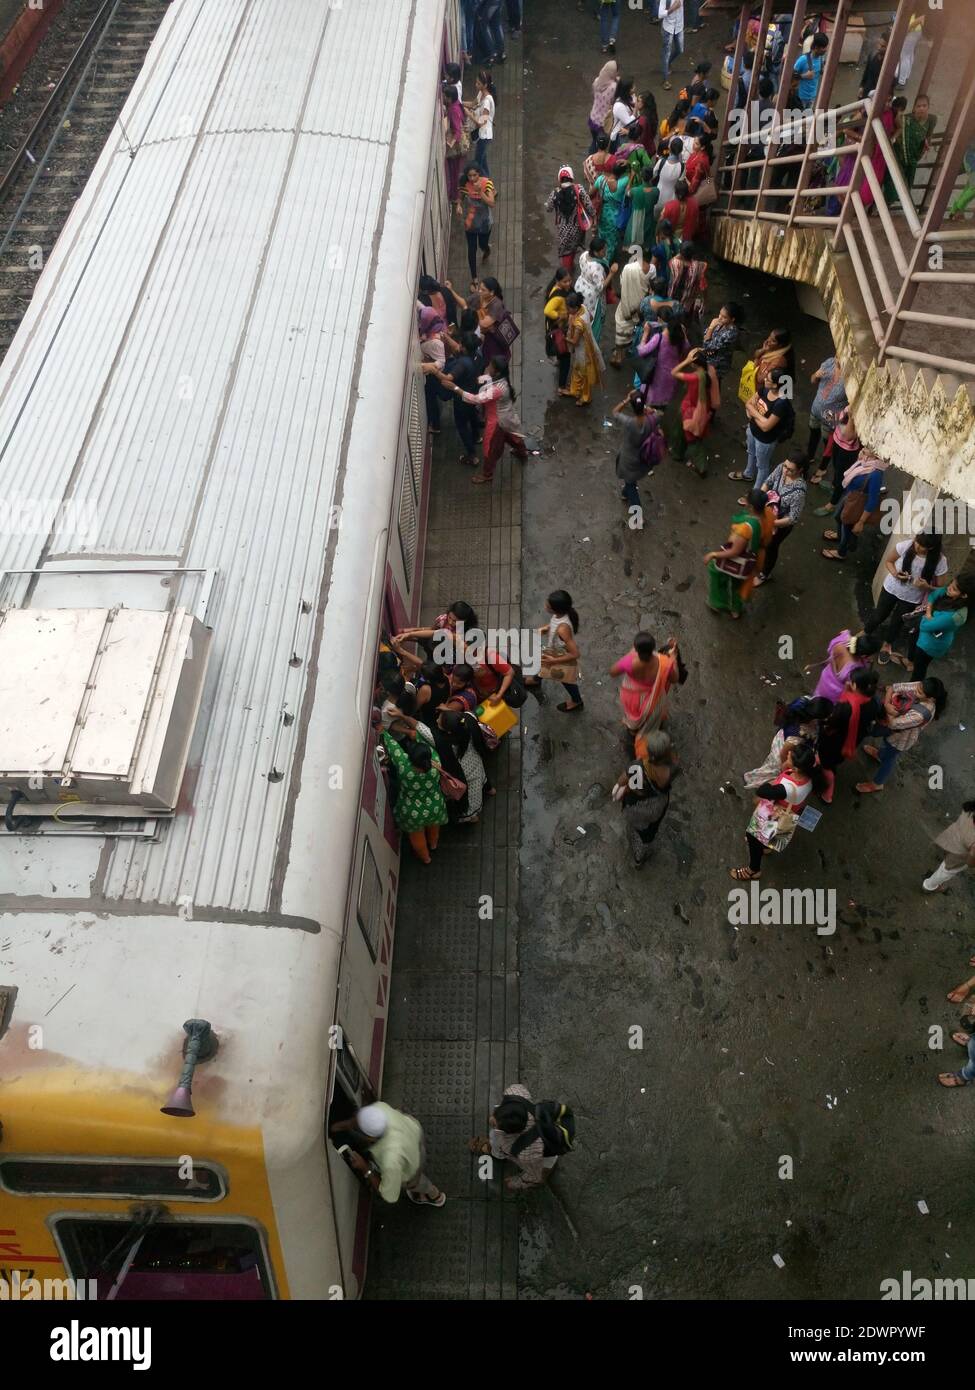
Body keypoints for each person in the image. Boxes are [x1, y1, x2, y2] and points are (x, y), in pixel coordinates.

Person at [732, 741, 816, 881]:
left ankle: (753, 870)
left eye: (791, 756)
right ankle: (765, 847)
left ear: (795, 768)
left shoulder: (787, 788)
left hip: (775, 815)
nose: (788, 753)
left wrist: (771, 781)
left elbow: (762, 791)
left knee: (753, 836)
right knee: (765, 837)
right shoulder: (810, 778)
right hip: (791, 809)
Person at [337, 1102, 445, 1206]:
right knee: (417, 1157)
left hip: (412, 1164)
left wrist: (365, 1168)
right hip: (414, 1133)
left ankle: (435, 1195)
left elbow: (389, 1196)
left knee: (417, 1183)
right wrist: (341, 1126)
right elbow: (358, 1120)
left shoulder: (390, 1160)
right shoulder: (379, 1107)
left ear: (370, 1138)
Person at [445, 355, 528, 484]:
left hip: (497, 422)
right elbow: (481, 379)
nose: (488, 367)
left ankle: (487, 474)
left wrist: (456, 388)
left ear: (497, 371)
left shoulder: (498, 389)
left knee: (490, 448)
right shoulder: (501, 380)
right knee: (512, 437)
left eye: (491, 366)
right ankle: (522, 452)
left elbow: (477, 399)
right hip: (508, 418)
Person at [856, 677, 946, 795]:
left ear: (931, 698)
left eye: (919, 692)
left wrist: (889, 710)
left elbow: (893, 724)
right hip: (892, 728)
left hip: (901, 739)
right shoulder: (921, 685)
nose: (916, 690)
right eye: (918, 687)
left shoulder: (921, 714)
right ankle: (879, 755)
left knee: (890, 757)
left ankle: (877, 783)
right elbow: (894, 687)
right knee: (887, 750)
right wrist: (888, 704)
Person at [469, 1084, 563, 1190]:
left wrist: (519, 1182)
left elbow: (532, 1171)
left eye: (495, 1125)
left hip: (545, 1154)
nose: (491, 1119)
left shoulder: (524, 1151)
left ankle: (538, 1180)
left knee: (539, 1172)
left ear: (510, 1134)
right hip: (548, 1131)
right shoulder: (516, 1092)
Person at [864, 533, 948, 644]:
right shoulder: (905, 545)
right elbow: (889, 561)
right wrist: (895, 573)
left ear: (931, 547)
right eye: (917, 541)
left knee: (897, 622)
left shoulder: (940, 561)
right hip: (891, 588)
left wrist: (926, 586)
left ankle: (888, 644)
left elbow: (940, 587)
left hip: (912, 597)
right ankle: (866, 631)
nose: (917, 546)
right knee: (879, 615)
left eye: (922, 545)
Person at [705, 488, 775, 619]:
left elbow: (734, 551)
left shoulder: (746, 528)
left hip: (740, 557)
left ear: (751, 506)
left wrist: (713, 554)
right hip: (755, 557)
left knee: (716, 572)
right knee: (739, 585)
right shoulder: (769, 514)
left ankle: (718, 603)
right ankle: (735, 610)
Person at [815, 668, 882, 802]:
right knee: (835, 761)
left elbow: (829, 725)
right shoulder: (874, 701)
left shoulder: (846, 708)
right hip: (854, 739)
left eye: (851, 680)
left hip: (834, 743)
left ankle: (828, 794)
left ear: (856, 686)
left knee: (826, 766)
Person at [613, 729, 679, 866]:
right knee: (650, 829)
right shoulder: (674, 766)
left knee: (637, 828)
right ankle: (643, 849)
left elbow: (621, 781)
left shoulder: (637, 767)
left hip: (639, 805)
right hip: (659, 804)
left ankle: (638, 855)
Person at [381, 731, 449, 863]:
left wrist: (383, 732)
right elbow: (427, 744)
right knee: (434, 826)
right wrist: (417, 735)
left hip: (412, 811)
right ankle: (433, 844)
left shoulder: (404, 767)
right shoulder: (436, 763)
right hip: (435, 805)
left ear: (411, 759)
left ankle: (426, 858)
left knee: (417, 837)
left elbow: (394, 748)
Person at [744, 697, 833, 791]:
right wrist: (785, 767)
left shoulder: (804, 702)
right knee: (775, 772)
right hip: (785, 748)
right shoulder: (796, 737)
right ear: (816, 717)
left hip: (786, 736)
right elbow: (783, 753)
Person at [610, 631, 680, 743]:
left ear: (636, 649)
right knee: (651, 714)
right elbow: (675, 679)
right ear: (653, 648)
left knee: (632, 713)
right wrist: (673, 659)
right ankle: (647, 730)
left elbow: (612, 672)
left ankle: (633, 730)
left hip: (631, 696)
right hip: (653, 698)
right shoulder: (664, 662)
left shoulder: (629, 661)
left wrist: (629, 654)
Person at [732, 367, 795, 491]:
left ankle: (757, 492)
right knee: (751, 453)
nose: (765, 379)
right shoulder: (765, 390)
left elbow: (766, 427)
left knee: (762, 465)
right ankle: (748, 473)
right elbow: (748, 403)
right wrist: (759, 417)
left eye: (768, 379)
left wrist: (753, 414)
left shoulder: (781, 403)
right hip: (753, 431)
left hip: (765, 440)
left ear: (776, 385)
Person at [821, 449, 888, 562]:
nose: (864, 448)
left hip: (857, 504)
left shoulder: (876, 474)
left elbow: (873, 500)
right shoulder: (866, 461)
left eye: (868, 447)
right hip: (851, 497)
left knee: (847, 526)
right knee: (838, 517)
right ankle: (840, 535)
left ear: (877, 454)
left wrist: (861, 522)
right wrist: (861, 457)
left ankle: (841, 552)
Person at [899, 577, 972, 679]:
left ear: (964, 595)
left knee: (920, 669)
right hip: (923, 630)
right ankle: (910, 662)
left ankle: (913, 691)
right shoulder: (948, 592)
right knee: (912, 642)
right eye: (951, 583)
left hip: (930, 643)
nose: (949, 588)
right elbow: (933, 595)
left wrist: (927, 613)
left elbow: (925, 626)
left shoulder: (955, 617)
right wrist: (928, 613)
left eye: (954, 589)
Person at [753, 452, 808, 584]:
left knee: (771, 547)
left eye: (790, 469)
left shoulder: (799, 492)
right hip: (768, 513)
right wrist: (759, 498)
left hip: (781, 524)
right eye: (785, 466)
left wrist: (772, 523)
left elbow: (793, 518)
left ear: (800, 470)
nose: (786, 470)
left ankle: (764, 574)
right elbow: (768, 481)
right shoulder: (781, 468)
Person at [528, 589, 584, 713]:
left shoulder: (563, 629)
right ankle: (536, 680)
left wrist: (555, 660)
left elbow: (575, 654)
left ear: (554, 609)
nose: (545, 604)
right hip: (553, 651)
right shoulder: (561, 614)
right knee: (544, 663)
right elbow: (554, 624)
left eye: (548, 604)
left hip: (560, 655)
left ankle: (577, 700)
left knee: (566, 680)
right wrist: (546, 628)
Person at [667, 345, 719, 477]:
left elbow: (673, 372)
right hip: (700, 408)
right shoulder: (710, 371)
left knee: (692, 439)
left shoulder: (694, 377)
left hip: (691, 411)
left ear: (694, 363)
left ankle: (701, 466)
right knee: (680, 431)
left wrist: (686, 361)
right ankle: (676, 453)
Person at [438, 708, 493, 822]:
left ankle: (472, 816)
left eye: (439, 720)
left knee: (470, 800)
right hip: (477, 764)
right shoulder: (468, 721)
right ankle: (490, 790)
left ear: (449, 732)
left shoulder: (448, 746)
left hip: (465, 776)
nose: (437, 719)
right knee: (482, 780)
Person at [612, 388, 659, 516]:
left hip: (628, 460)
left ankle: (638, 516)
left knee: (631, 484)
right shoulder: (653, 419)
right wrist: (651, 410)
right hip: (643, 459)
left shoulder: (629, 423)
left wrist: (626, 400)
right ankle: (625, 493)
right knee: (631, 481)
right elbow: (659, 414)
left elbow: (615, 412)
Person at [885, 93, 936, 208]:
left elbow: (929, 135)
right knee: (892, 184)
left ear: (928, 107)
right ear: (914, 108)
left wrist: (927, 142)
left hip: (913, 159)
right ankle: (882, 207)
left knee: (906, 186)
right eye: (918, 106)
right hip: (898, 156)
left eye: (924, 106)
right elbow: (894, 129)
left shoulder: (932, 120)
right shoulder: (905, 119)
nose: (921, 108)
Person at [545, 166, 596, 272]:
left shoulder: (555, 192)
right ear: (572, 177)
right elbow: (589, 206)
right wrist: (594, 216)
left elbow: (548, 208)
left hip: (563, 229)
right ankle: (569, 268)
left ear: (560, 178)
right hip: (577, 227)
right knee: (573, 247)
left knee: (565, 250)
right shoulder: (579, 189)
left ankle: (567, 270)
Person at [636, 306, 688, 409]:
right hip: (672, 379)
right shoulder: (681, 339)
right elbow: (687, 347)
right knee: (663, 408)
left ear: (660, 320)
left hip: (657, 379)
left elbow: (642, 351)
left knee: (650, 409)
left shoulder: (659, 338)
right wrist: (684, 334)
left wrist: (645, 334)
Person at [811, 630, 881, 705]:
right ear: (864, 656)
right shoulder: (855, 668)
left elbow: (843, 632)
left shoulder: (844, 638)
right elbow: (855, 688)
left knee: (818, 699)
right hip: (835, 692)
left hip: (825, 678)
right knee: (827, 706)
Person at [860, 97, 905, 213]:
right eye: (885, 100)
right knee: (861, 178)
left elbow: (900, 128)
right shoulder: (870, 111)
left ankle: (863, 208)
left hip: (881, 153)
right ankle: (858, 208)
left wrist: (892, 138)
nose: (887, 103)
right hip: (868, 150)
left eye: (889, 101)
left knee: (874, 180)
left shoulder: (892, 113)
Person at [611, 245, 652, 368]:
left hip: (626, 304)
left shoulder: (629, 268)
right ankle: (624, 351)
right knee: (632, 329)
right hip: (639, 306)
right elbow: (649, 289)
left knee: (622, 327)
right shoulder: (651, 270)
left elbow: (622, 283)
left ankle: (618, 356)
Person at [812, 406, 859, 510]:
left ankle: (832, 504)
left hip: (847, 450)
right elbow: (838, 418)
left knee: (841, 477)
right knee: (835, 467)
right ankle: (833, 485)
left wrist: (851, 417)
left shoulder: (860, 414)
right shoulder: (853, 403)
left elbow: (848, 435)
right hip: (837, 441)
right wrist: (829, 415)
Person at [923, 801, 975, 894]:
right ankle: (929, 886)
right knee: (946, 871)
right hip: (958, 855)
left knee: (949, 851)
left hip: (953, 837)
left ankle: (945, 855)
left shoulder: (970, 809)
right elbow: (970, 862)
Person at [806, 356, 847, 472]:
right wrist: (816, 375)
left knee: (827, 442)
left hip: (831, 415)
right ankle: (810, 457)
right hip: (816, 408)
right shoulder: (829, 363)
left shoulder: (850, 377)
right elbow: (813, 380)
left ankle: (823, 468)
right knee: (813, 433)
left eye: (840, 357)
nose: (837, 359)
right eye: (837, 356)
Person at [564, 289, 605, 406]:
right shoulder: (583, 308)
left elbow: (575, 342)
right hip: (588, 343)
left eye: (569, 308)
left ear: (575, 308)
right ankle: (575, 390)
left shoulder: (578, 324)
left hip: (583, 350)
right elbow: (591, 318)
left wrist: (564, 337)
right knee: (577, 370)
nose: (568, 310)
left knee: (584, 373)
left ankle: (585, 397)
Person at [575, 237, 617, 343]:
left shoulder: (584, 255)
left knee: (582, 315)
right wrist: (611, 273)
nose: (605, 252)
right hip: (593, 297)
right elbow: (600, 287)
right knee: (595, 323)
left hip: (580, 287)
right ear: (596, 252)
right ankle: (592, 346)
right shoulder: (597, 267)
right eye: (603, 250)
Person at [460, 163, 495, 286]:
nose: (472, 178)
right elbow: (461, 196)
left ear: (479, 174)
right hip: (470, 223)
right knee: (471, 250)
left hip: (484, 222)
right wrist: (458, 205)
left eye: (474, 175)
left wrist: (480, 192)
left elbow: (491, 203)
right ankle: (474, 278)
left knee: (482, 244)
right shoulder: (464, 185)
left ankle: (486, 250)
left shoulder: (487, 183)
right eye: (469, 175)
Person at [591, 162, 629, 267]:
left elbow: (591, 193)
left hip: (602, 213)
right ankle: (606, 264)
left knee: (601, 235)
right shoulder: (622, 183)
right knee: (611, 242)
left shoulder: (601, 179)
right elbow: (634, 172)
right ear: (621, 174)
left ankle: (597, 258)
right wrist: (628, 163)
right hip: (614, 217)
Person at [544, 267, 574, 393]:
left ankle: (559, 360)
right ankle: (562, 387)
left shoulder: (554, 288)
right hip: (559, 330)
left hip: (555, 328)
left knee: (562, 354)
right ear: (558, 281)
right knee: (566, 358)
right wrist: (560, 316)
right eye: (565, 282)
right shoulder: (558, 296)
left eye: (569, 281)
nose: (568, 284)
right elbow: (547, 310)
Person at [666, 239, 707, 325]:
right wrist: (704, 301)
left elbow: (674, 258)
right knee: (684, 324)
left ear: (680, 252)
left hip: (671, 300)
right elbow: (703, 287)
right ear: (693, 254)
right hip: (687, 304)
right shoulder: (698, 267)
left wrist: (681, 252)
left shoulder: (674, 263)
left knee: (670, 322)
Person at [701, 301, 743, 382]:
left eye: (724, 317)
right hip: (710, 358)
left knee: (714, 384)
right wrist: (709, 343)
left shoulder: (730, 333)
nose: (719, 318)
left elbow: (707, 345)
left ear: (732, 319)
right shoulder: (721, 323)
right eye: (720, 314)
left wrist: (711, 328)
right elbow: (705, 337)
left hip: (718, 365)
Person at [465, 70, 496, 176]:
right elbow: (473, 104)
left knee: (478, 163)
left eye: (478, 83)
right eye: (476, 82)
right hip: (481, 134)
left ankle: (485, 185)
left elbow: (481, 123)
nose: (476, 85)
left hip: (484, 135)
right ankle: (487, 182)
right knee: (483, 160)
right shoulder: (480, 93)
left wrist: (469, 114)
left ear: (485, 85)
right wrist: (460, 103)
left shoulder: (487, 102)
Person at [476, 276, 513, 363]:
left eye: (483, 290)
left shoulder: (496, 305)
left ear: (492, 292)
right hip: (488, 337)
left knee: (494, 361)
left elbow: (484, 324)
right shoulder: (484, 298)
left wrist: (475, 315)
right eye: (480, 288)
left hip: (495, 340)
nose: (479, 291)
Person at [443, 81, 468, 209]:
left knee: (454, 173)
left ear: (449, 98)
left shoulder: (452, 110)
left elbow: (457, 132)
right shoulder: (457, 105)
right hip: (461, 148)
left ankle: (455, 197)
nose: (443, 98)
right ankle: (456, 196)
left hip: (457, 150)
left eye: (445, 96)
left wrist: (450, 144)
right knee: (456, 172)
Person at [793, 31, 828, 110]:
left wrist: (822, 70)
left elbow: (820, 73)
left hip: (812, 96)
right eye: (823, 47)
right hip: (801, 97)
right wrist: (805, 75)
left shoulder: (821, 58)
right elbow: (791, 75)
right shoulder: (803, 59)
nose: (826, 49)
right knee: (798, 120)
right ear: (816, 47)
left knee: (807, 120)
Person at [588, 59, 619, 152]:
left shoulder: (597, 81)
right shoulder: (613, 87)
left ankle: (590, 160)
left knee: (594, 141)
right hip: (603, 122)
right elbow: (614, 100)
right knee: (601, 147)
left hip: (593, 119)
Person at [660, 178, 702, 245]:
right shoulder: (694, 205)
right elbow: (696, 223)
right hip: (686, 239)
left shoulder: (669, 206)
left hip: (670, 240)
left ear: (675, 192)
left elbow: (661, 223)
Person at [658, 0, 685, 92]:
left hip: (679, 27)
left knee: (680, 50)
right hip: (668, 29)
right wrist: (672, 8)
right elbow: (660, 14)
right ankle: (665, 80)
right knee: (666, 54)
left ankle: (668, 63)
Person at [654, 137, 687, 207]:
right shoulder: (682, 167)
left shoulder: (661, 162)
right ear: (681, 151)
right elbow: (680, 183)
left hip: (658, 196)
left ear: (669, 148)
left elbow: (653, 175)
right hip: (672, 199)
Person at [859, 27, 888, 100]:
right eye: (879, 44)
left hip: (878, 95)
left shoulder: (890, 63)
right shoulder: (872, 55)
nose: (879, 48)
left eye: (883, 46)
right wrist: (862, 86)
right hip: (867, 90)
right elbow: (866, 72)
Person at [897, 12, 924, 88]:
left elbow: (920, 18)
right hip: (916, 30)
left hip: (913, 30)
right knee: (909, 53)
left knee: (904, 55)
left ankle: (901, 81)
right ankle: (906, 76)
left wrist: (907, 30)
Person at [609, 77, 636, 148]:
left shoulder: (631, 97)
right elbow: (630, 123)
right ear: (627, 90)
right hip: (620, 138)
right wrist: (636, 109)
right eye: (632, 87)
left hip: (627, 134)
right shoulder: (619, 106)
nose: (635, 88)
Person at [684, 131, 713, 196]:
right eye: (694, 141)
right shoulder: (696, 153)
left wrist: (684, 178)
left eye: (696, 143)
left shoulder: (700, 162)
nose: (693, 144)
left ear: (702, 147)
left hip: (692, 193)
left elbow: (692, 189)